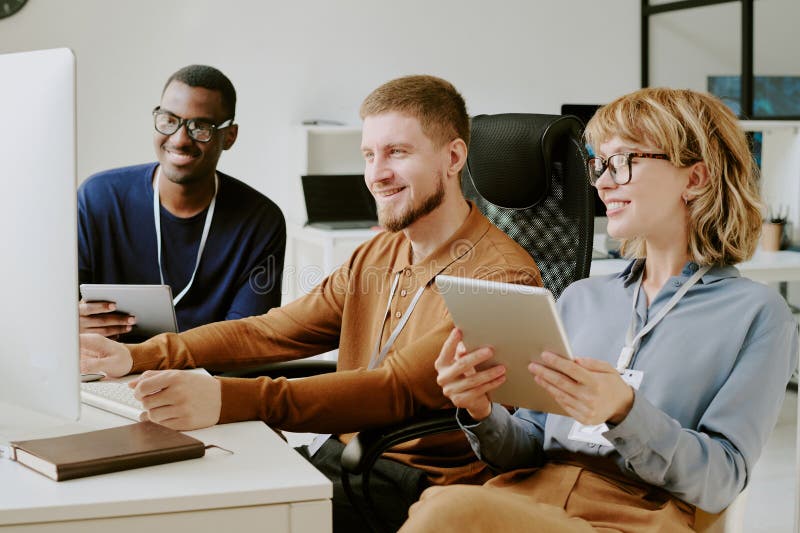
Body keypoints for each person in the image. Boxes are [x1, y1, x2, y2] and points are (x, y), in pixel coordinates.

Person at [80, 74, 541, 531]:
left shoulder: (501, 278)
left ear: (453, 157)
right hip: (340, 462)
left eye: (397, 152)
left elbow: (396, 388)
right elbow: (272, 330)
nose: (376, 174)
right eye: (369, 155)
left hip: (417, 489)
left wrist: (226, 398)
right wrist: (137, 355)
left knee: (215, 518)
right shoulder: (380, 251)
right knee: (172, 494)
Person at [400, 87, 799, 532]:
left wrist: (626, 411)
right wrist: (479, 410)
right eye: (600, 164)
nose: (603, 183)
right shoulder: (582, 298)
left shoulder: (759, 315)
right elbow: (528, 447)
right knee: (439, 501)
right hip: (529, 500)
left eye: (624, 161)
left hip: (633, 519)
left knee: (449, 509)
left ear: (695, 178)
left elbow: (722, 480)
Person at [78, 64, 285, 337]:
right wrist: (69, 321)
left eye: (200, 127)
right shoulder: (99, 199)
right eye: (169, 120)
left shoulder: (260, 221)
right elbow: (54, 306)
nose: (180, 139)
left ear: (229, 136)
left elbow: (247, 338)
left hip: (210, 366)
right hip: (105, 363)